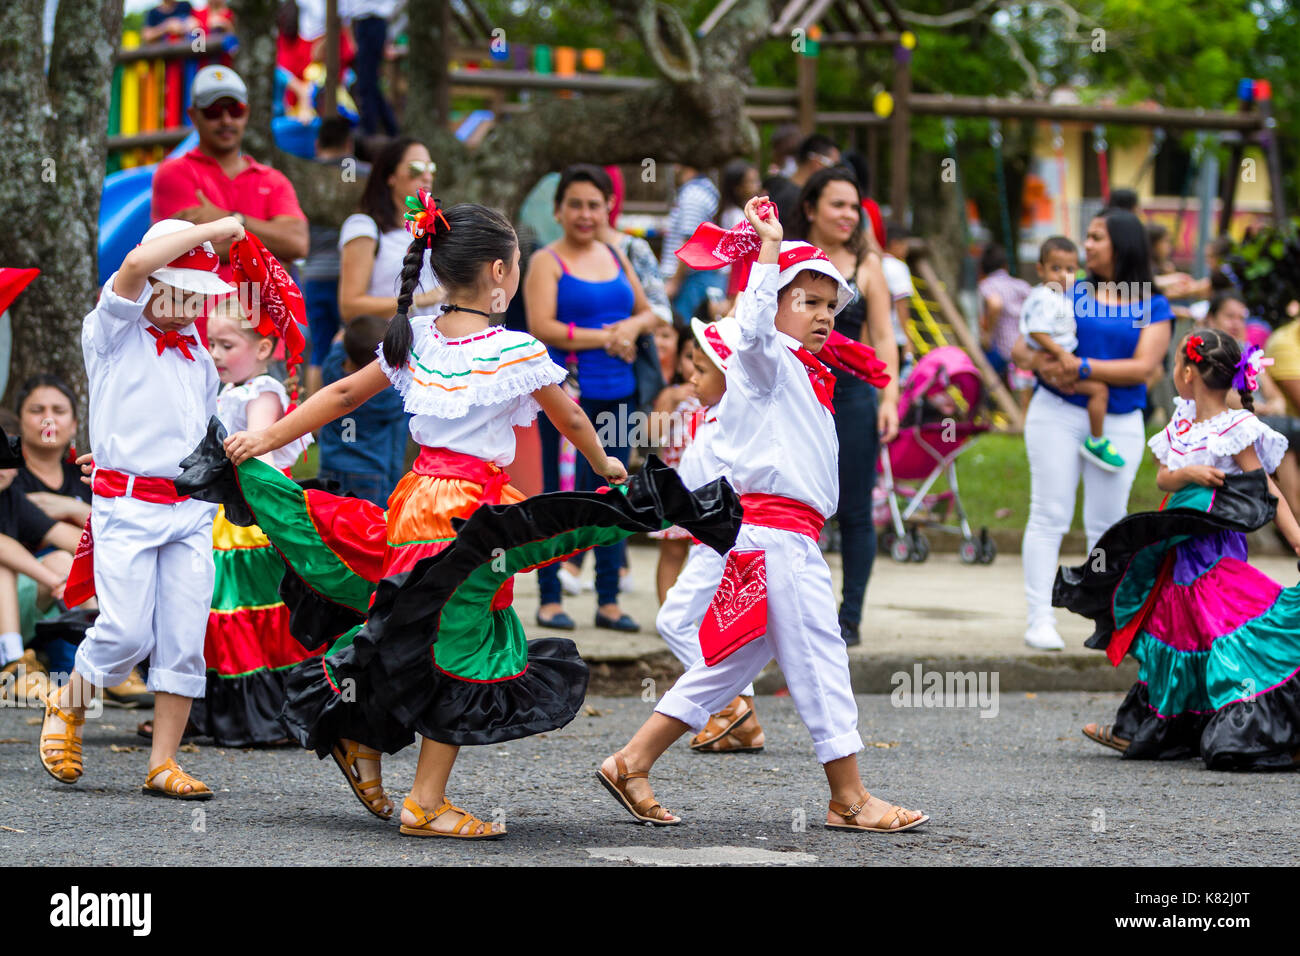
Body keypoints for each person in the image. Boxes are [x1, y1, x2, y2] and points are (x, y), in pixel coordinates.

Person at [223, 197, 631, 837]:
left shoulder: (415, 339)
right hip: (469, 514)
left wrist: (268, 442)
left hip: (416, 498)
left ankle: (359, 739)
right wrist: (605, 464)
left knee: (417, 630)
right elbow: (570, 417)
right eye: (518, 262)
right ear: (499, 272)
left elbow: (341, 393)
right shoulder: (514, 349)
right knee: (459, 644)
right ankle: (426, 801)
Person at [595, 196, 925, 832]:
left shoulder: (801, 370)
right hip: (776, 540)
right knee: (823, 660)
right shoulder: (765, 360)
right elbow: (748, 332)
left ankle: (630, 761)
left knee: (729, 664)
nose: (825, 314)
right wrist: (770, 248)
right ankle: (850, 797)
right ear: (773, 302)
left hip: (777, 537)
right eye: (808, 301)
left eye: (831, 305)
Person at [37, 216, 247, 799]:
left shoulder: (199, 357)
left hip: (190, 508)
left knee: (183, 637)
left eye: (194, 295)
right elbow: (130, 266)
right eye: (176, 289)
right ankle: (70, 700)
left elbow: (203, 431)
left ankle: (163, 763)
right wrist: (223, 224)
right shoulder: (110, 331)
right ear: (153, 281)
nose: (186, 305)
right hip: (126, 507)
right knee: (126, 630)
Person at [1063, 328, 1300, 770]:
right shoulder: (1182, 423)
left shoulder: (1237, 427)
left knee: (1229, 636)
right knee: (1176, 633)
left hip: (1216, 560)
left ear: (1188, 372)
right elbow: (1163, 479)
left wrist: (1297, 536)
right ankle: (1154, 730)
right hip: (1175, 558)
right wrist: (1189, 474)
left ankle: (1268, 729)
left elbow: (1264, 486)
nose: (1173, 373)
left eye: (1175, 365)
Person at [1011, 208, 1173, 651]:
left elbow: (1143, 368)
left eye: (1097, 237)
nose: (1087, 245)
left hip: (1118, 421)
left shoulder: (1151, 303)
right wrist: (1042, 364)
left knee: (1106, 523)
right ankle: (1039, 616)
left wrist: (1080, 365)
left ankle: (1105, 618)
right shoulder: (1070, 290)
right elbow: (1022, 346)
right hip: (1058, 412)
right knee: (1049, 513)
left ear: (1122, 245)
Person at [525, 164, 660, 632]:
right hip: (567, 397)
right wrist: (604, 337)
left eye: (594, 205)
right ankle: (549, 597)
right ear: (559, 210)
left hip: (620, 396)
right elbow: (541, 327)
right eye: (576, 204)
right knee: (560, 494)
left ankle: (607, 600)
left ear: (608, 209)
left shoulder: (614, 252)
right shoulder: (545, 260)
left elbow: (648, 312)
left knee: (614, 492)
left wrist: (630, 328)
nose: (585, 214)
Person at [189, 296, 317, 747]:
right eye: (211, 345)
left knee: (244, 609)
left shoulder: (262, 390)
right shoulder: (226, 391)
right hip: (226, 511)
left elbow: (259, 438)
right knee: (221, 610)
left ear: (263, 349)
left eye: (226, 345)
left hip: (253, 517)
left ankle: (259, 714)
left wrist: (241, 444)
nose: (216, 355)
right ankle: (217, 711)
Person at [788, 166, 901, 646]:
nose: (848, 215)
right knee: (795, 508)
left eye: (854, 207)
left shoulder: (869, 268)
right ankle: (795, 614)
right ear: (810, 208)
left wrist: (890, 398)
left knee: (855, 511)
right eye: (837, 204)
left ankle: (848, 618)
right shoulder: (789, 260)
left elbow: (884, 338)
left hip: (853, 396)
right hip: (795, 393)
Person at [653, 315, 764, 753]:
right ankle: (742, 716)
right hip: (713, 542)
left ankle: (731, 705)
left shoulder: (735, 423)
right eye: (692, 367)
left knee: (675, 621)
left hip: (721, 545)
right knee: (720, 631)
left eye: (702, 370)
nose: (692, 378)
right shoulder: (713, 418)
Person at [151, 65, 308, 339]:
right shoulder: (173, 173)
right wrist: (265, 246)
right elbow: (184, 254)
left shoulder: (273, 179)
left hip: (266, 341)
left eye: (234, 110)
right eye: (213, 112)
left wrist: (230, 221)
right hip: (194, 336)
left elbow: (297, 243)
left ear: (246, 112)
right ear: (193, 116)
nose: (225, 120)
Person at [1020, 236, 1127, 472]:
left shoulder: (1059, 296)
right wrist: (1060, 354)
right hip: (1055, 360)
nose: (1062, 275)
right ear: (1040, 269)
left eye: (1069, 269)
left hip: (1059, 361)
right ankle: (1097, 440)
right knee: (1099, 390)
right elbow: (1037, 331)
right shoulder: (1044, 298)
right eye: (1055, 268)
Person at [0, 416, 78, 707]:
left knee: (61, 559)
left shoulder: (12, 498)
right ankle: (13, 663)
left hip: (11, 614)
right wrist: (54, 583)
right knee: (5, 565)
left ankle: (101, 663)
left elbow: (69, 538)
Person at [302, 116, 368, 398]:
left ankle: (314, 423)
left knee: (319, 345)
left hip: (314, 272)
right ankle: (343, 410)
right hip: (350, 274)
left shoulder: (305, 177)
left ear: (318, 144)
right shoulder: (362, 174)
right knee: (350, 343)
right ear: (349, 143)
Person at [316, 315, 408, 506]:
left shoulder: (332, 370)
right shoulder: (387, 394)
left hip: (330, 466)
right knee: (367, 528)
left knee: (330, 522)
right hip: (370, 474)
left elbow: (339, 341)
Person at [647, 326, 699, 604]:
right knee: (673, 551)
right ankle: (667, 613)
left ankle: (699, 617)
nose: (695, 365)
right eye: (690, 356)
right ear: (680, 360)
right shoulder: (672, 395)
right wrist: (670, 402)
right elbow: (650, 435)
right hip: (676, 485)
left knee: (710, 553)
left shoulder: (722, 395)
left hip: (710, 486)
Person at [659, 163, 722, 324]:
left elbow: (689, 241)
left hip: (690, 281)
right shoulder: (706, 189)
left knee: (686, 331)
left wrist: (673, 283)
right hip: (694, 279)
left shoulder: (692, 195)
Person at [978, 243, 1034, 406]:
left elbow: (995, 304)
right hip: (1024, 345)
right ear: (1005, 265)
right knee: (1022, 385)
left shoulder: (987, 285)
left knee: (983, 372)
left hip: (1002, 347)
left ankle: (989, 409)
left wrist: (988, 333)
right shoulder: (1020, 285)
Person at [345, 0, 399, 137]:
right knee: (368, 81)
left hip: (372, 21)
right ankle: (390, 128)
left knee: (366, 82)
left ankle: (370, 129)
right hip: (364, 23)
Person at [763, 133, 840, 225]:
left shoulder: (779, 187)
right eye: (833, 166)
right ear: (816, 163)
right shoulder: (796, 199)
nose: (835, 172)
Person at [880, 221, 916, 373]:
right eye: (905, 244)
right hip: (895, 336)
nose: (906, 249)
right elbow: (901, 306)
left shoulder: (874, 264)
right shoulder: (898, 267)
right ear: (895, 244)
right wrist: (908, 339)